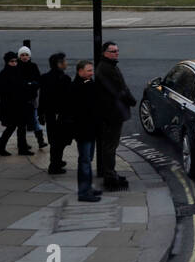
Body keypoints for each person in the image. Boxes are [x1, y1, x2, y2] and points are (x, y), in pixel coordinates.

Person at [95, 41, 135, 190]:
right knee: (110, 145)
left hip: (113, 112)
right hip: (111, 113)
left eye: (117, 50)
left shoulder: (109, 66)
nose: (116, 53)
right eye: (113, 51)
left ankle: (111, 173)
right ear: (104, 53)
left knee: (111, 145)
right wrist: (131, 100)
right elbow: (119, 90)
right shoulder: (105, 69)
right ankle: (110, 176)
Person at [67, 60, 105, 202]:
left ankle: (88, 188)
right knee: (84, 161)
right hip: (83, 131)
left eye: (91, 70)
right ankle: (83, 192)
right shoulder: (77, 87)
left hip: (91, 130)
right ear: (80, 71)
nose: (91, 73)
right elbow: (81, 110)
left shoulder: (89, 84)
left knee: (87, 160)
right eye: (88, 71)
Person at [39, 52, 74, 175]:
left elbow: (42, 97)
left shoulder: (44, 77)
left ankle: (56, 161)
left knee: (55, 140)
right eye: (65, 61)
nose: (66, 63)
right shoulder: (65, 79)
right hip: (61, 115)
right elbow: (68, 99)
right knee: (60, 141)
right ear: (59, 64)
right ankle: (54, 165)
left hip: (50, 114)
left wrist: (40, 113)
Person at [0, 51, 33, 155]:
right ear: (7, 62)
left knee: (21, 127)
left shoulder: (16, 72)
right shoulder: (4, 75)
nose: (14, 63)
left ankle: (22, 148)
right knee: (11, 127)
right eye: (12, 61)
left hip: (19, 105)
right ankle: (1, 147)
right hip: (10, 106)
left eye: (15, 61)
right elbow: (5, 92)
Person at [14, 46, 46, 150]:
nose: (24, 57)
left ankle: (40, 141)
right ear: (19, 56)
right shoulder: (17, 67)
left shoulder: (33, 66)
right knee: (22, 123)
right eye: (22, 55)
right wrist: (30, 84)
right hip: (22, 99)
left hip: (32, 98)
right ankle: (25, 143)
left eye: (26, 55)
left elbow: (38, 81)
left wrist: (30, 84)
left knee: (34, 119)